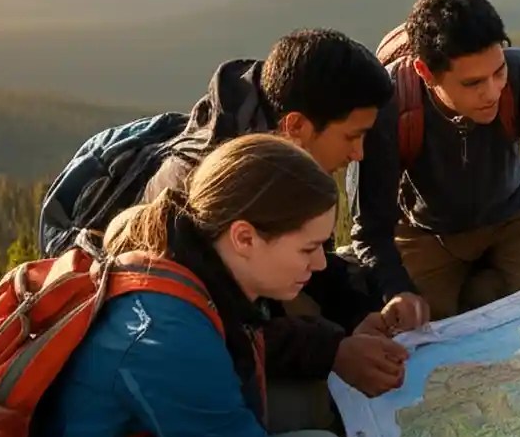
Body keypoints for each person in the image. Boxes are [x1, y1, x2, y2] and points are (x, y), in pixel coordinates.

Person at [0, 134, 510, 437]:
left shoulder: (191, 267)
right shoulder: (168, 338)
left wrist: (339, 346)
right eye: (308, 248)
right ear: (245, 237)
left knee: (309, 410)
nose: (320, 264)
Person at [145, 28, 428, 400]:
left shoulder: (281, 148)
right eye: (351, 136)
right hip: (187, 367)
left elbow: (314, 258)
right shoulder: (217, 191)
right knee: (312, 408)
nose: (358, 154)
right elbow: (220, 326)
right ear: (296, 125)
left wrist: (359, 313)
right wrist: (333, 352)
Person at [349, 0, 520, 321]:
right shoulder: (390, 100)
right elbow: (369, 227)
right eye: (472, 83)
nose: (492, 93)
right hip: (427, 234)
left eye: (498, 72)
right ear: (425, 73)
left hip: (515, 217)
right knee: (413, 324)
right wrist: (396, 289)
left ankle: (485, 285)